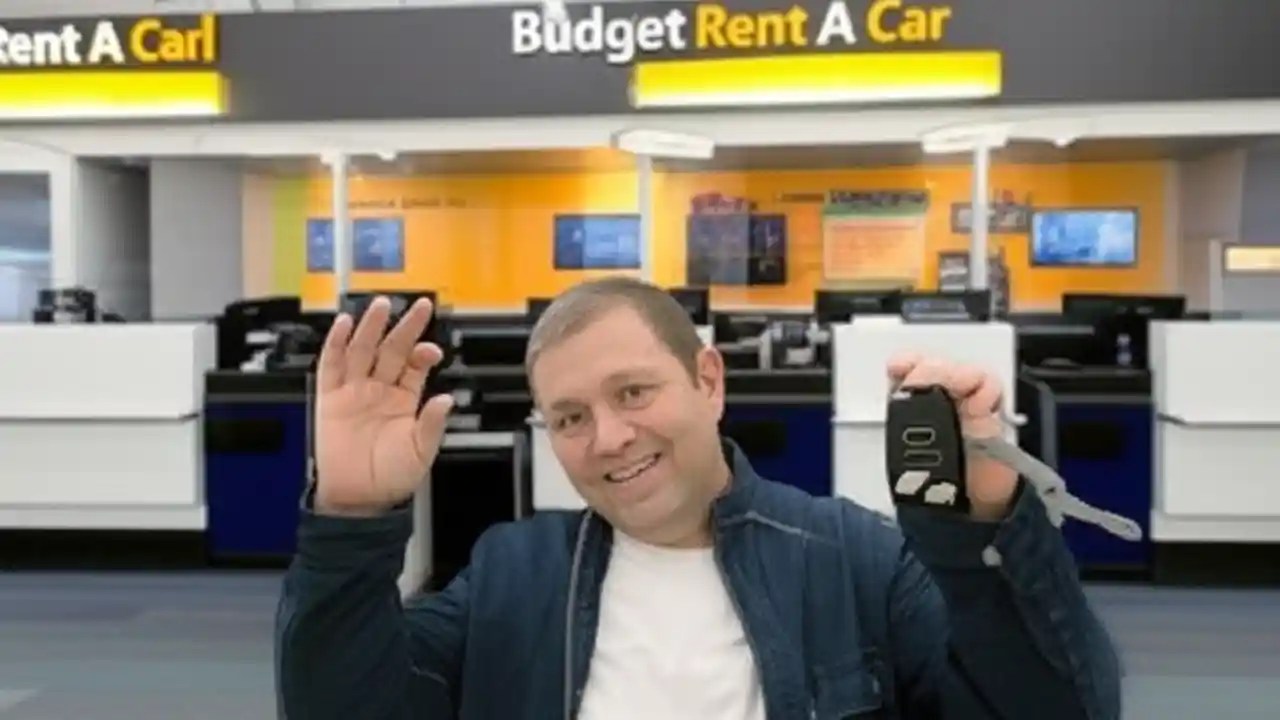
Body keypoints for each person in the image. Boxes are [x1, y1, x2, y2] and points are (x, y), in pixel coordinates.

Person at [275, 277, 1122, 720]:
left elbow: (1058, 709)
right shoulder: (511, 576)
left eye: (634, 393)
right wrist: (349, 522)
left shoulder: (854, 561)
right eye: (570, 416)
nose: (607, 438)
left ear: (707, 379)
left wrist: (980, 534)